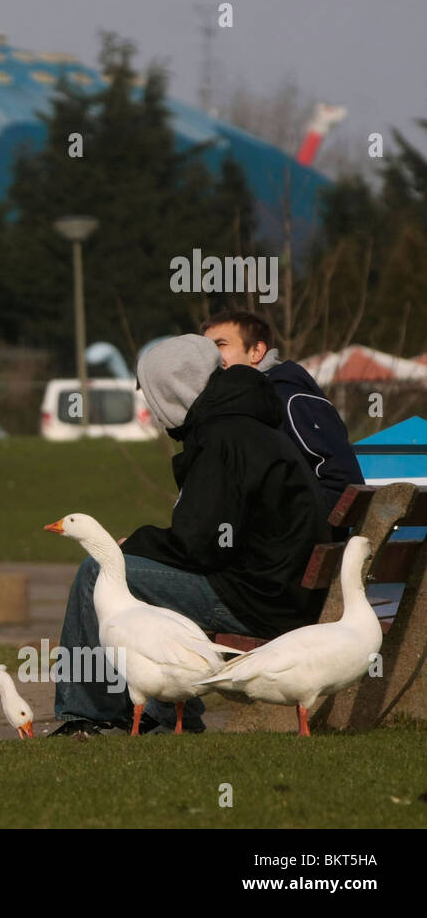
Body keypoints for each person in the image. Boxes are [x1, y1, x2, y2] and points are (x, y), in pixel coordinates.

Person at [49, 335, 331, 736]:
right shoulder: (244, 424)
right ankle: (165, 715)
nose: (148, 405)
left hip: (259, 600)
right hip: (279, 589)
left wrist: (131, 545)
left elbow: (201, 547)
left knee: (99, 572)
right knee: (139, 574)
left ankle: (85, 716)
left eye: (149, 392)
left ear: (173, 389)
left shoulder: (223, 439)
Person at [201, 310, 364, 512]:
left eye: (220, 345)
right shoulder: (242, 405)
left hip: (308, 536)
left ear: (256, 352)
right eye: (206, 350)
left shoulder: (288, 398)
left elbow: (343, 484)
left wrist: (281, 520)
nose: (210, 358)